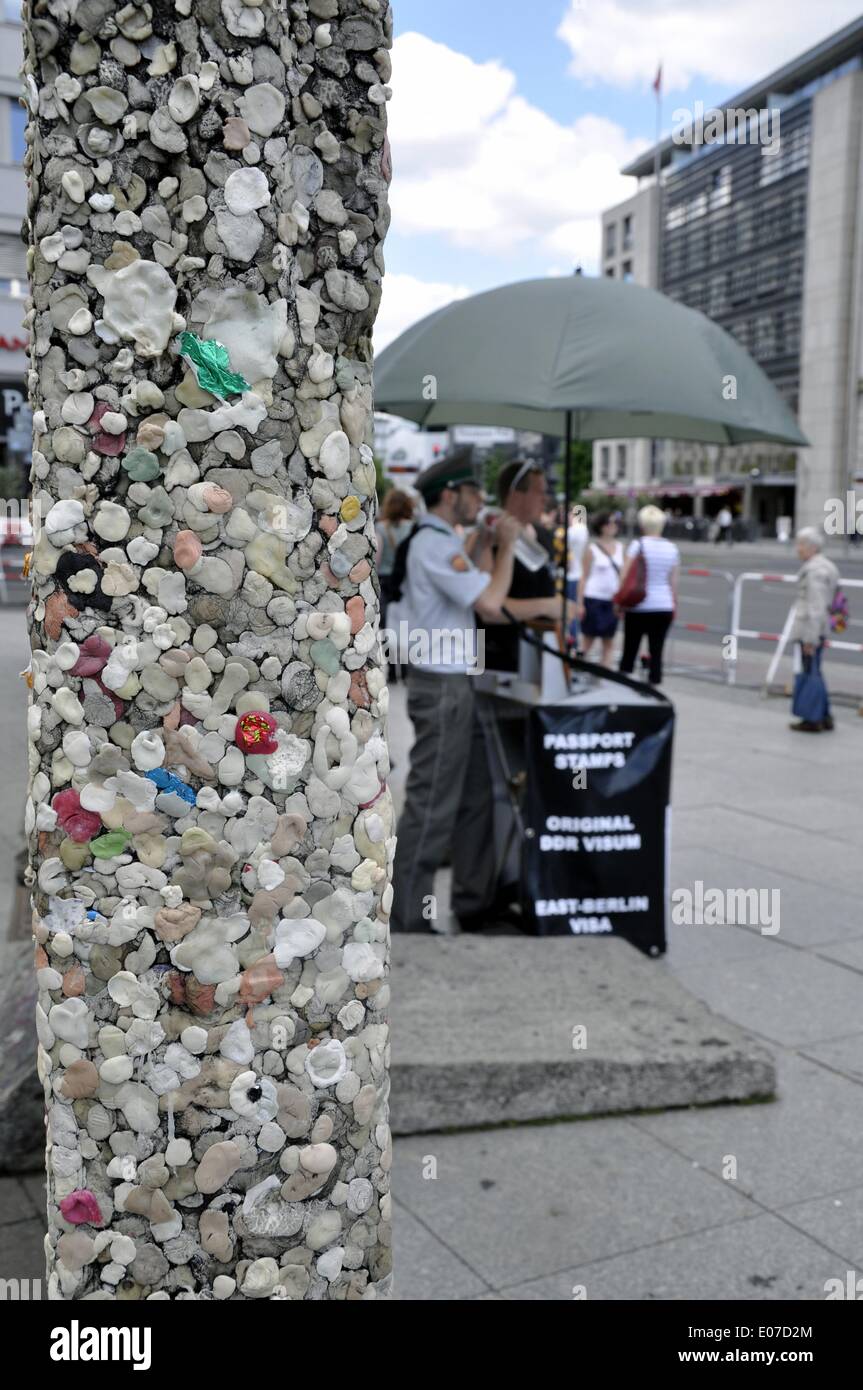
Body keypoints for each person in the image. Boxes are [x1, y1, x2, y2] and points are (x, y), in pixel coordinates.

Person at [390, 451, 522, 935]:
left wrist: (486, 543)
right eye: (474, 493)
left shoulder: (443, 540)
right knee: (432, 804)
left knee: (467, 800)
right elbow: (490, 602)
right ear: (452, 494)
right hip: (443, 685)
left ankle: (468, 900)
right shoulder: (435, 544)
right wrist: (505, 545)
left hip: (451, 681)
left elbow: (477, 583)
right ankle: (408, 915)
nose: (480, 501)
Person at [468, 459, 569, 671]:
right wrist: (547, 606)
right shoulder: (486, 538)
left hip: (540, 657)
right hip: (497, 662)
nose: (545, 499)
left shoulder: (544, 535)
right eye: (539, 492)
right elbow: (488, 609)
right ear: (516, 494)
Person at [618, 504, 679, 685]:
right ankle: (654, 686)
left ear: (643, 525)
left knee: (630, 648)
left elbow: (624, 576)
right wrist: (674, 605)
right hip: (663, 605)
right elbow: (673, 583)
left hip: (638, 605)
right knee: (657, 651)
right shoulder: (672, 548)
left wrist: (618, 601)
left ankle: (625, 683)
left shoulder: (637, 545)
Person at [788, 527, 839, 733]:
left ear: (811, 547)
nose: (797, 549)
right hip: (820, 628)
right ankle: (825, 715)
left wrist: (810, 639)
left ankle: (813, 718)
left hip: (811, 630)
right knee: (815, 670)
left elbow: (815, 608)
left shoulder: (814, 571)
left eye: (800, 544)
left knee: (811, 672)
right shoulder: (828, 566)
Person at [375, 489, 415, 682]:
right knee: (407, 626)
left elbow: (377, 558)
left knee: (387, 627)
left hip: (385, 583)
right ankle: (406, 670)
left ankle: (391, 670)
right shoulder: (412, 528)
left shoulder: (381, 529)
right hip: (406, 583)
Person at [576, 510, 624, 667]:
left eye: (615, 523)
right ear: (602, 527)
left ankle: (604, 679)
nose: (614, 526)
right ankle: (577, 669)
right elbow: (583, 577)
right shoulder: (592, 549)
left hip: (612, 600)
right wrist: (580, 603)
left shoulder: (621, 547)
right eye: (610, 523)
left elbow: (623, 576)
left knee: (608, 643)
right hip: (593, 598)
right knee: (587, 641)